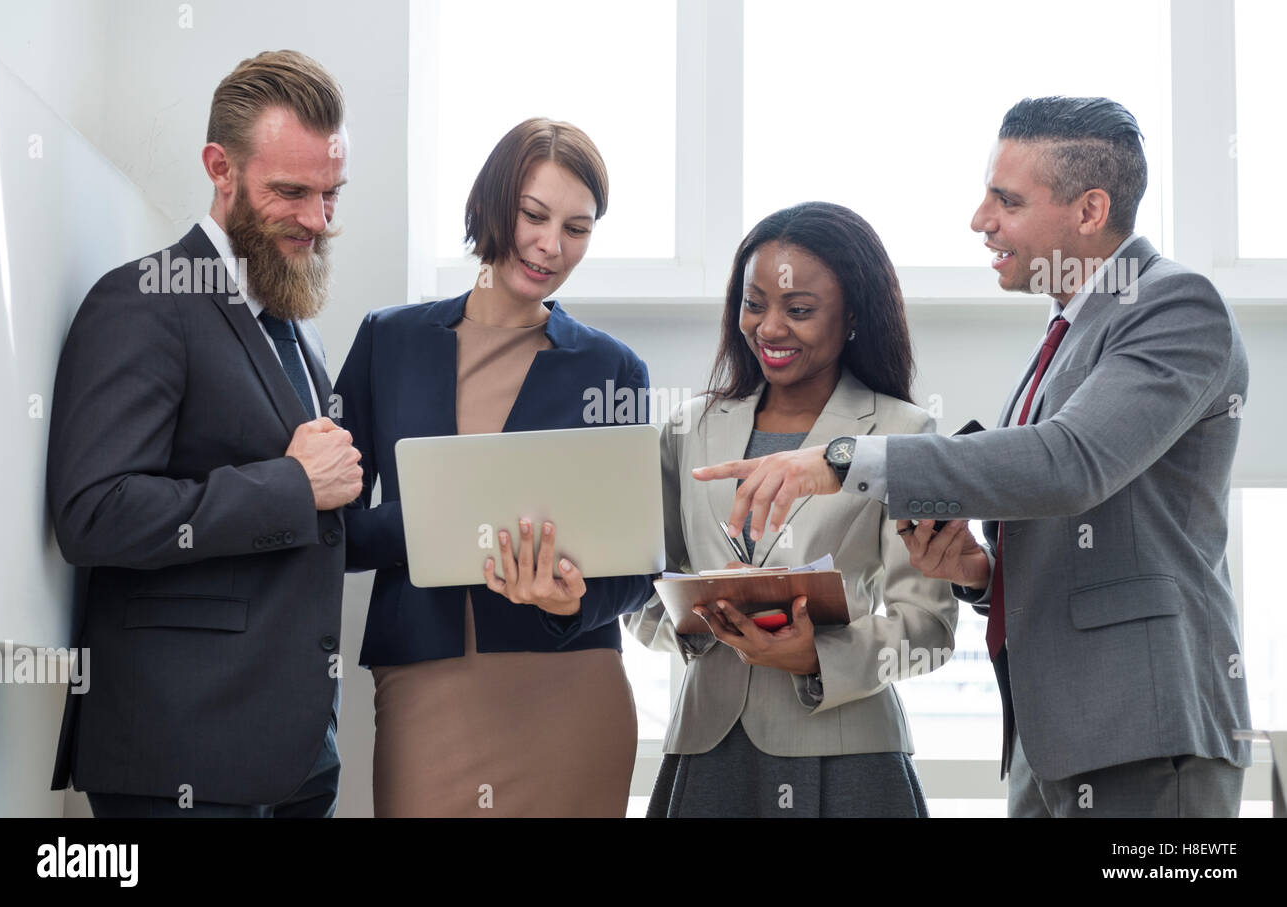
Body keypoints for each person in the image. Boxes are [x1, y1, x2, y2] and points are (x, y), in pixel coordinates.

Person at [693, 97, 1252, 818]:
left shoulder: (1175, 305)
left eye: (1006, 199)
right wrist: (981, 575)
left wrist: (837, 460)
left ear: (1088, 211)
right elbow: (1071, 517)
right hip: (1052, 741)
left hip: (1145, 733)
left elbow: (1068, 463)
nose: (980, 218)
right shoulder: (1065, 335)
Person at [46, 50, 360, 817]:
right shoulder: (144, 302)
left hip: (295, 759)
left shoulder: (296, 328)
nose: (318, 220)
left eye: (331, 194)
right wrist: (291, 483)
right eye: (291, 192)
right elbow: (93, 511)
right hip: (182, 755)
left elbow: (311, 530)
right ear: (221, 168)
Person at [333, 118, 654, 817]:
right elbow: (332, 527)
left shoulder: (613, 368)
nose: (550, 244)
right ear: (490, 204)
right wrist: (436, 518)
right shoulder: (387, 341)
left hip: (572, 691)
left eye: (577, 227)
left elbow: (639, 566)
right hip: (426, 686)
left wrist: (575, 601)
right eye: (534, 215)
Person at [626, 202, 957, 818]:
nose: (770, 328)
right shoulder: (688, 426)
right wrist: (701, 630)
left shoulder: (902, 432)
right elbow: (641, 593)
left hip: (849, 751)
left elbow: (930, 631)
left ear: (853, 315)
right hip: (708, 744)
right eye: (755, 304)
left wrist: (815, 656)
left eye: (799, 310)